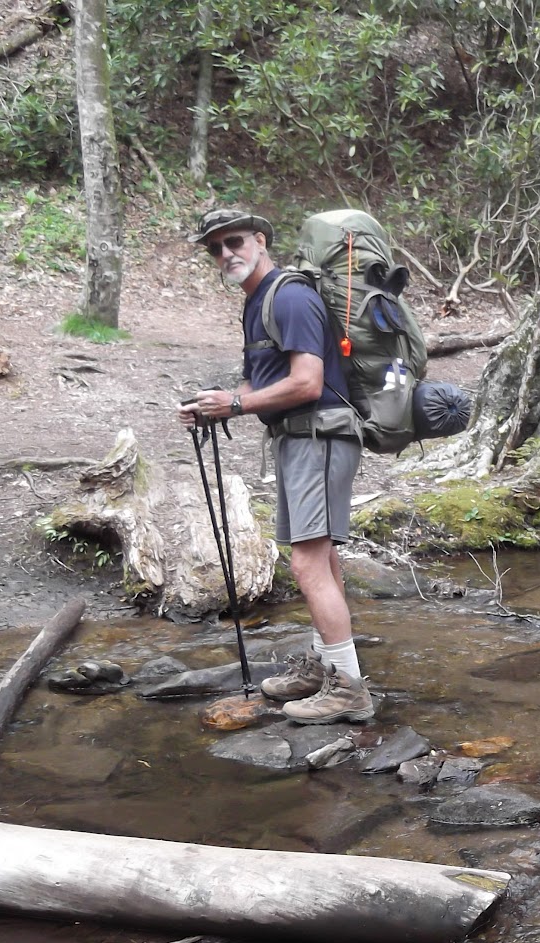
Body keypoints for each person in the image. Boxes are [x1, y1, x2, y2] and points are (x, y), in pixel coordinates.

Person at [179, 208, 376, 724]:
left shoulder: (289, 297)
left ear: (260, 240)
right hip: (297, 437)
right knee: (320, 557)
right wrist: (214, 405)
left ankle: (349, 689)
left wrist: (237, 407)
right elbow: (259, 384)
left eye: (235, 241)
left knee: (307, 563)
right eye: (215, 248)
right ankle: (323, 666)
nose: (226, 254)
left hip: (321, 433)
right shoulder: (257, 303)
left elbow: (308, 383)